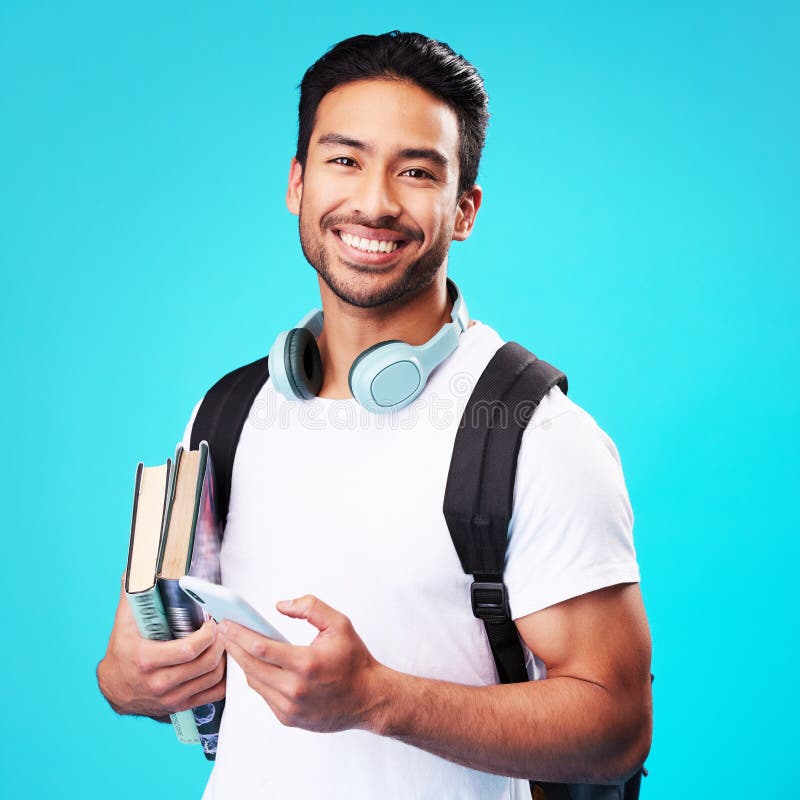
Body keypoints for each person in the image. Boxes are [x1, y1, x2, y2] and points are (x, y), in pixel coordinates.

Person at [98, 31, 652, 799]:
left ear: (464, 210)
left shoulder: (539, 435)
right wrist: (132, 680)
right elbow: (147, 667)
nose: (374, 202)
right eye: (345, 160)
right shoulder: (225, 412)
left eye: (416, 171)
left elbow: (617, 724)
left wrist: (378, 700)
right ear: (297, 183)